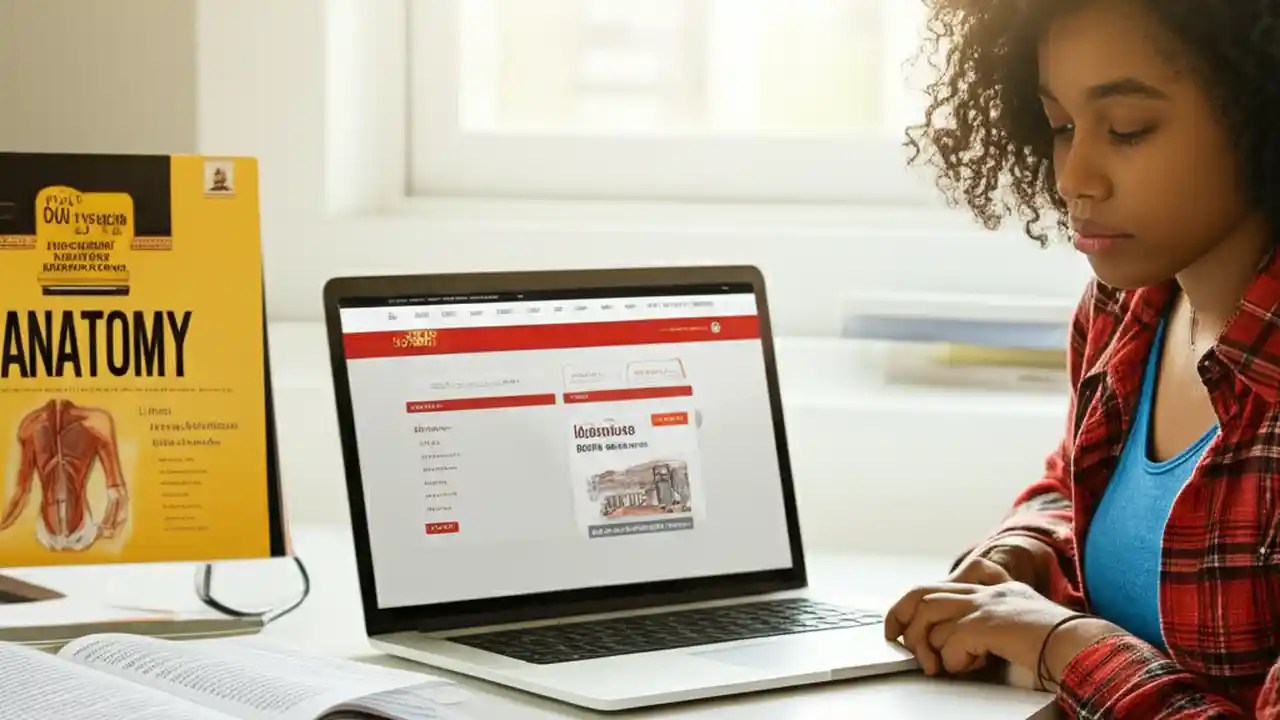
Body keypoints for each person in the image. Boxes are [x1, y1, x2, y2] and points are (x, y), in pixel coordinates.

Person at [883, 1, 1280, 716]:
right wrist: (1022, 555)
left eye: (1127, 129)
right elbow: (1075, 486)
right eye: (1062, 125)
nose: (1074, 178)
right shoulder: (1126, 309)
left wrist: (1060, 643)